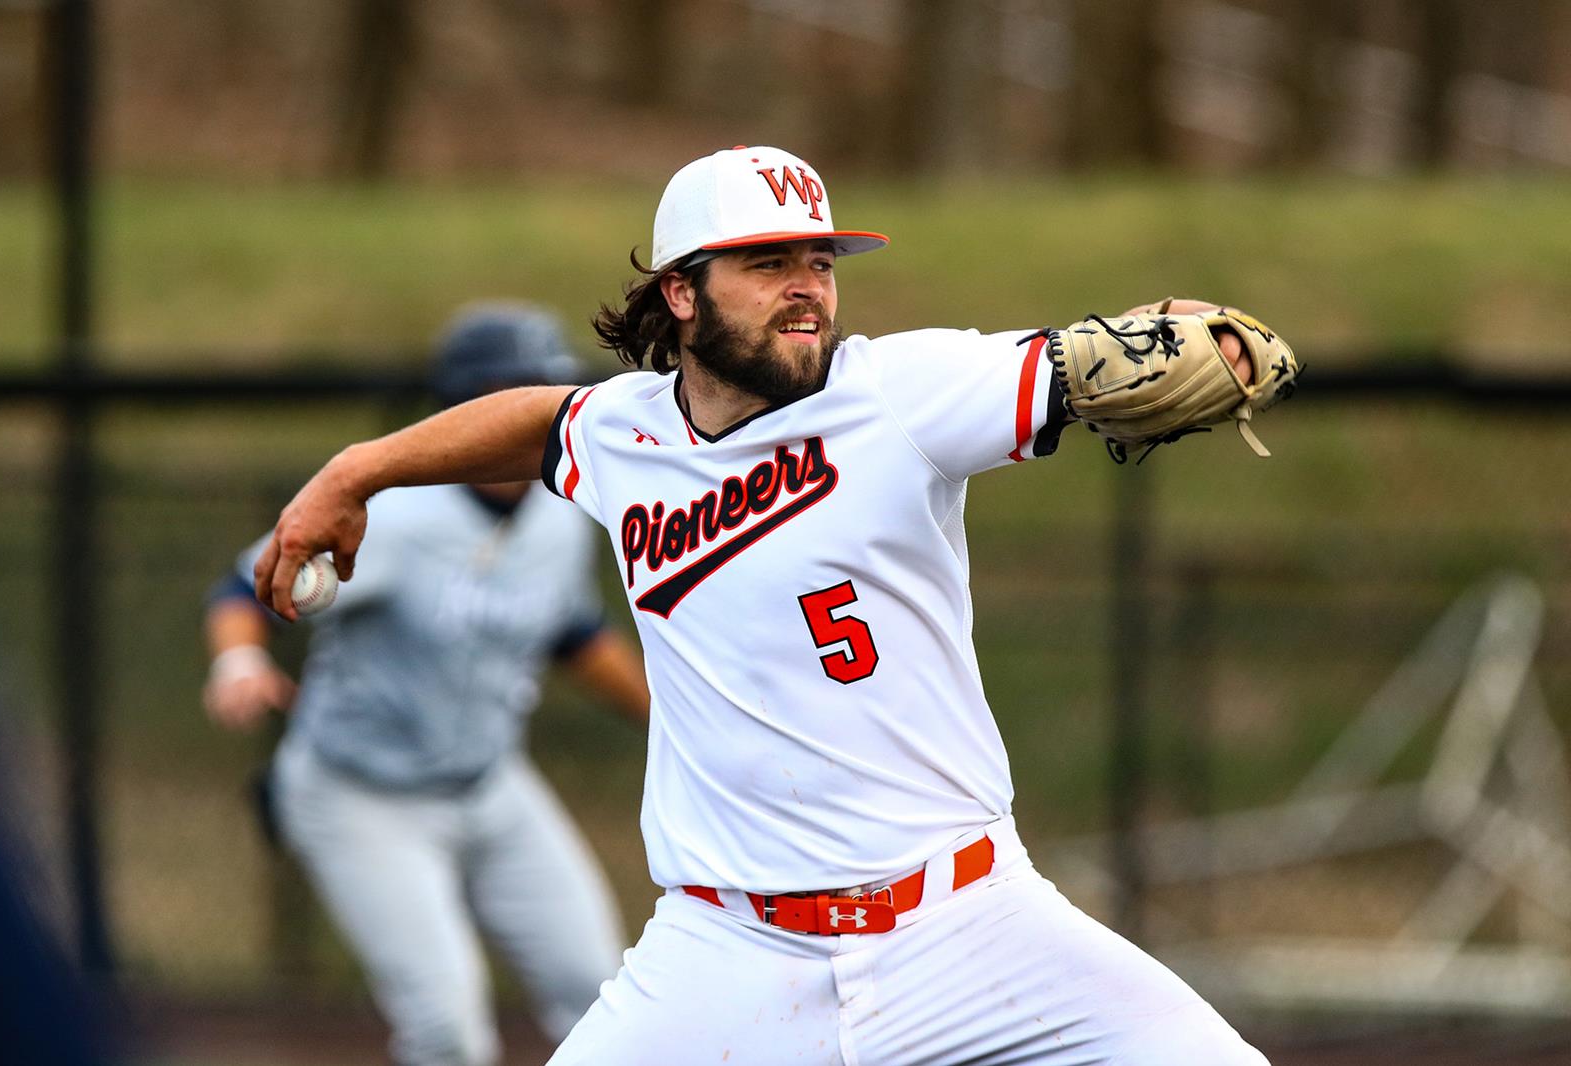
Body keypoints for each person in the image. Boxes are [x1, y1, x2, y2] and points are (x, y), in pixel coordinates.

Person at [254, 146, 1272, 1064]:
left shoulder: (902, 393)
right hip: (730, 950)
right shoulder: (623, 434)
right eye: (769, 263)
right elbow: (536, 420)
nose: (808, 291)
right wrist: (358, 470)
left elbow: (1080, 363)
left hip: (966, 924)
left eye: (821, 263)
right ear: (682, 293)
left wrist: (1198, 342)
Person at [203, 303, 650, 1066]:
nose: (531, 409)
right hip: (362, 796)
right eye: (513, 391)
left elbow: (574, 636)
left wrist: (673, 714)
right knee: (448, 1033)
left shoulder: (562, 515)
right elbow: (244, 590)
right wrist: (238, 660)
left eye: (547, 390)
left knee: (605, 995)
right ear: (462, 406)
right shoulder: (397, 518)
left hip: (488, 785)